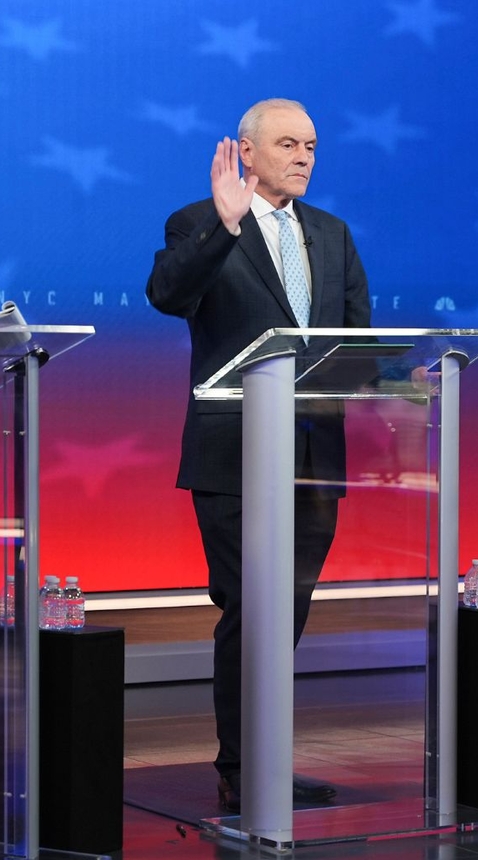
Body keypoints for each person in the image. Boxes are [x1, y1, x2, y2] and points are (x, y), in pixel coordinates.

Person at [146, 98, 372, 811]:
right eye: (287, 144)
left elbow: (358, 337)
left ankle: (268, 756)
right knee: (251, 608)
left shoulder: (332, 234)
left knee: (290, 612)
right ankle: (242, 768)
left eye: (311, 144)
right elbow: (167, 294)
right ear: (245, 151)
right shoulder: (199, 221)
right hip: (233, 456)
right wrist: (225, 221)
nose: (303, 156)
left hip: (313, 458)